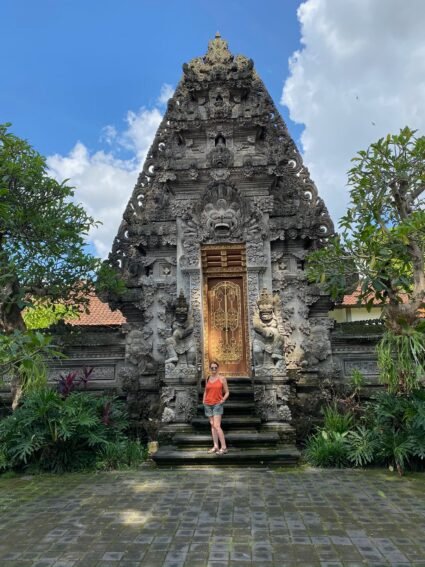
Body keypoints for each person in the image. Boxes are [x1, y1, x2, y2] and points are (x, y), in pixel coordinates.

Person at [203, 361, 229, 455]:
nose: (214, 369)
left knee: (217, 426)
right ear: (210, 369)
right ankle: (215, 446)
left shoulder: (222, 378)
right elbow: (206, 390)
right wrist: (203, 400)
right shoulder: (208, 378)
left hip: (217, 404)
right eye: (212, 368)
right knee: (213, 426)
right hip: (208, 404)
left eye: (215, 367)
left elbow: (227, 392)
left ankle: (224, 447)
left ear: (218, 368)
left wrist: (223, 400)